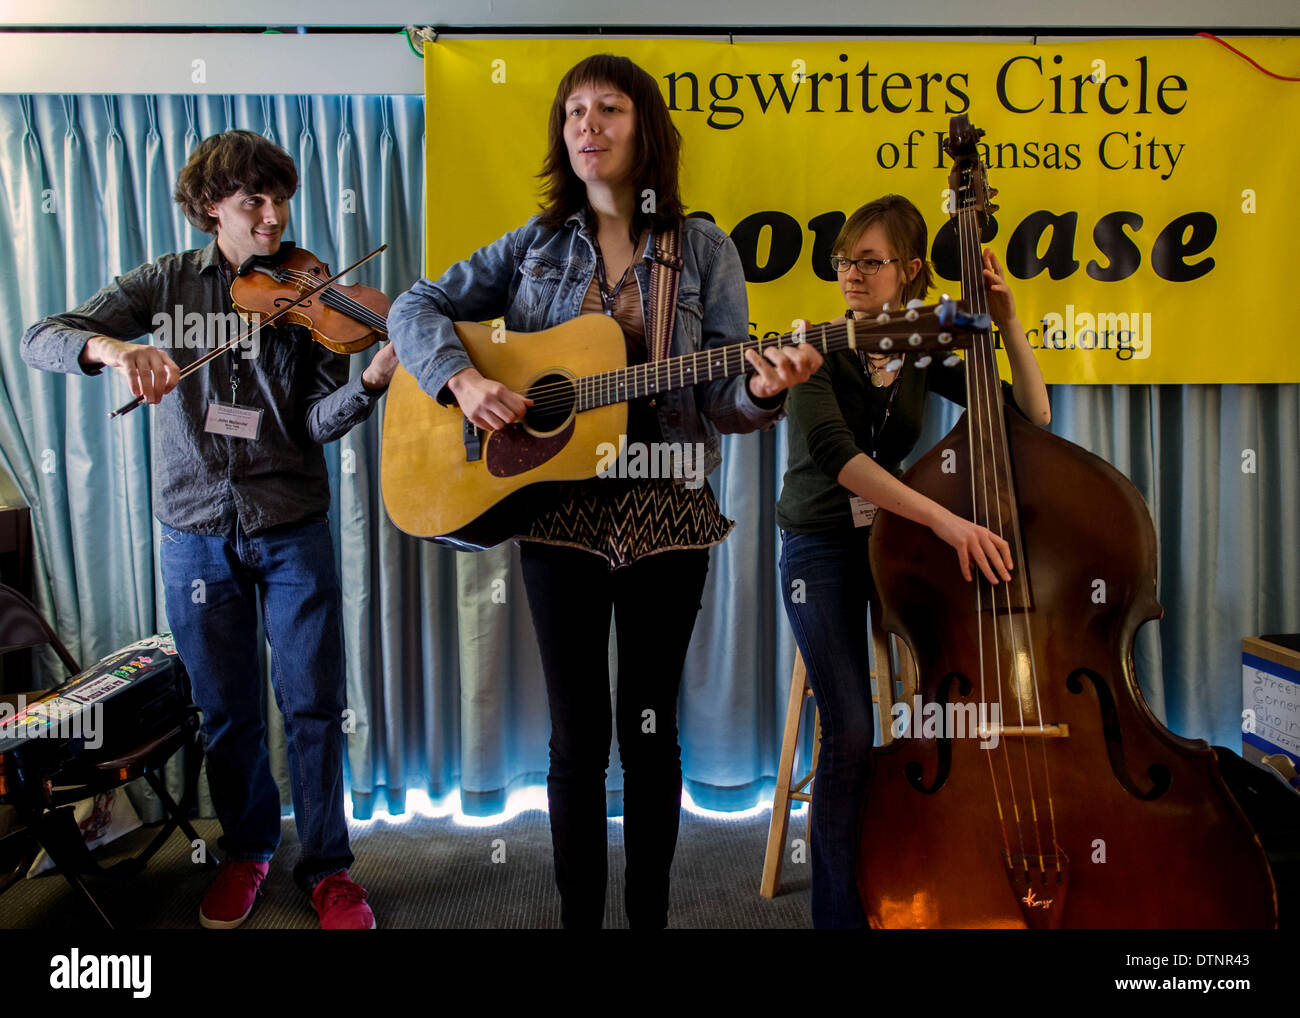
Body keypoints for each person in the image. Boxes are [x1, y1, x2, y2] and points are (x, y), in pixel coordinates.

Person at [388, 53, 821, 928]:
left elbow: (723, 401)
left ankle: (650, 918)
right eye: (574, 110)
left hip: (668, 510)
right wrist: (462, 384)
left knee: (652, 733)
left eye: (609, 108)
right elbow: (413, 306)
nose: (587, 124)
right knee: (577, 739)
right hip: (559, 511)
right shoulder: (536, 244)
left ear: (643, 128)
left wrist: (764, 391)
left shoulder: (704, 249)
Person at [21, 129, 399, 930]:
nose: (273, 217)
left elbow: (314, 423)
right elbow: (41, 337)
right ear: (210, 210)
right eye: (252, 202)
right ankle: (248, 851)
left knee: (314, 704)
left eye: (280, 199)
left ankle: (328, 867)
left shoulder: (312, 291)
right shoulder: (165, 282)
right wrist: (115, 348)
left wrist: (368, 380)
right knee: (225, 711)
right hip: (193, 531)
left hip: (291, 524)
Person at [775, 194, 1051, 929]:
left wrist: (1008, 322)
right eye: (844, 261)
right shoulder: (816, 343)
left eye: (870, 261)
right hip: (820, 546)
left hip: (892, 540)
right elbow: (840, 459)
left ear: (911, 269)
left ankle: (932, 875)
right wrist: (949, 523)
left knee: (945, 710)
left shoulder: (924, 346)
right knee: (853, 735)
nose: (852, 275)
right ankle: (840, 916)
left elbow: (1029, 414)